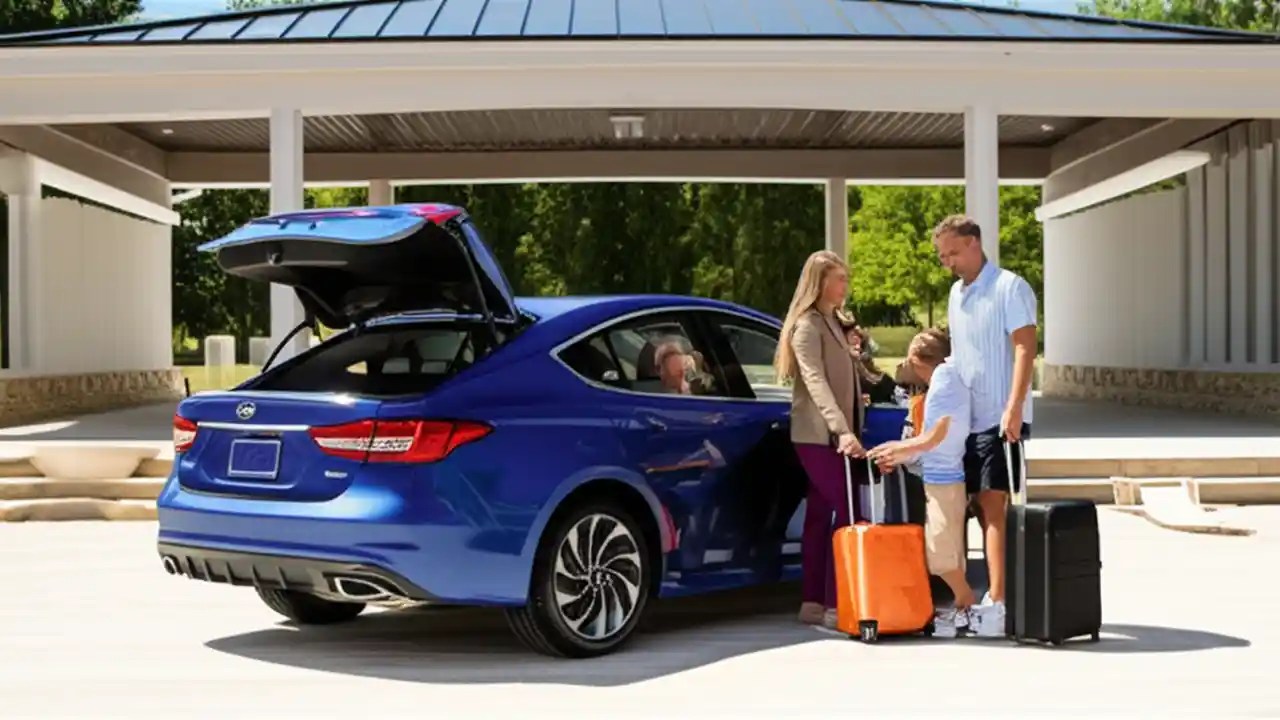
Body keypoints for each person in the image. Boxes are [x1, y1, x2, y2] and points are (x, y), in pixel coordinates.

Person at [932, 214, 1038, 634]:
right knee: (973, 507)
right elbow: (959, 357)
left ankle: (999, 602)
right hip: (966, 421)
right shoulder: (956, 295)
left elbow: (1025, 350)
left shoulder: (1011, 288)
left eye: (953, 253)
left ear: (974, 243)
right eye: (943, 256)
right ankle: (982, 599)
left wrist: (1014, 407)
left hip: (1000, 418)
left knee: (994, 506)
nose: (948, 263)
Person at [868, 329, 999, 637]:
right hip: (945, 477)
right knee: (951, 552)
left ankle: (965, 601)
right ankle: (962, 611)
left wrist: (898, 450)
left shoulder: (944, 380)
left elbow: (937, 434)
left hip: (944, 480)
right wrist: (902, 455)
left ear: (917, 358)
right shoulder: (950, 377)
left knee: (939, 556)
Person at [773, 249, 865, 630]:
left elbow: (844, 376)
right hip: (819, 436)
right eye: (839, 279)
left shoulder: (832, 322)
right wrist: (841, 429)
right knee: (847, 512)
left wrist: (857, 357)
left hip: (833, 434)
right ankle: (835, 602)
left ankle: (813, 602)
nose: (845, 285)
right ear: (820, 282)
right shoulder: (808, 325)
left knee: (817, 517)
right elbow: (814, 381)